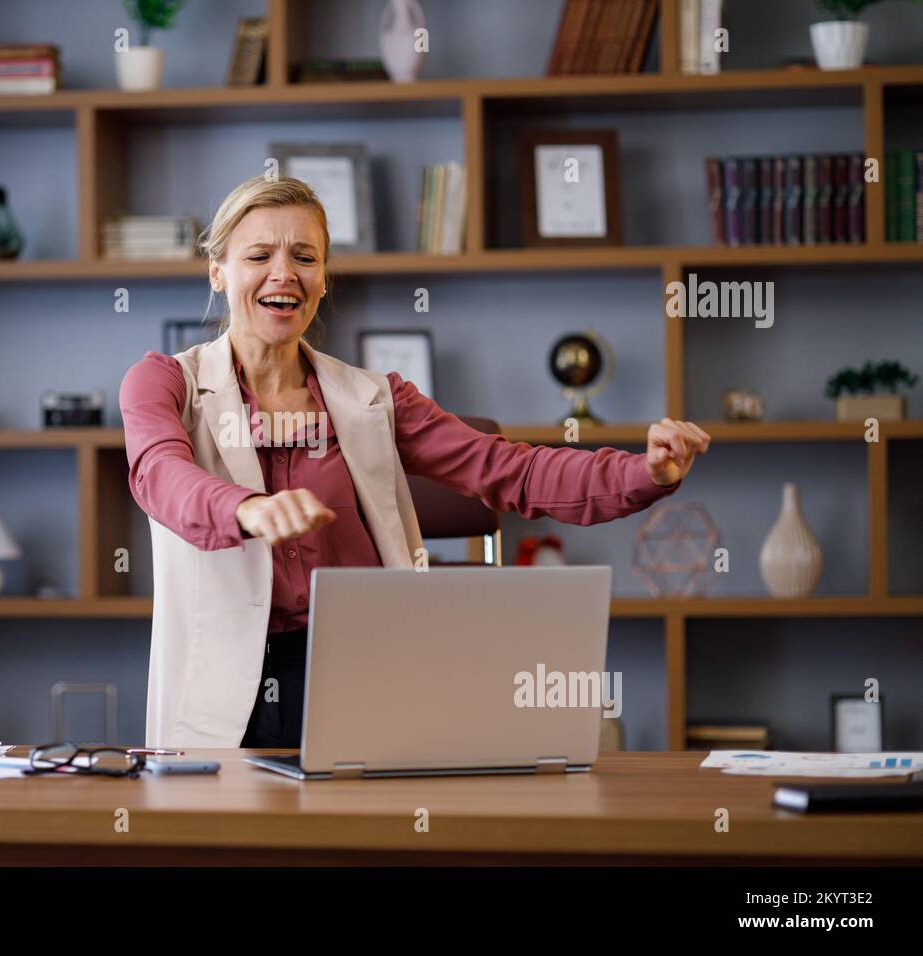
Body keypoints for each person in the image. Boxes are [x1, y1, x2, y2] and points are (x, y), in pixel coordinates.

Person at [120, 175, 710, 749]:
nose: (284, 274)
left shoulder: (376, 398)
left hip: (358, 670)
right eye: (258, 255)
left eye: (305, 256)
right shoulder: (164, 381)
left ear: (323, 280)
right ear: (217, 271)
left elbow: (511, 471)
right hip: (225, 685)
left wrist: (644, 473)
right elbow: (159, 475)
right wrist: (246, 509)